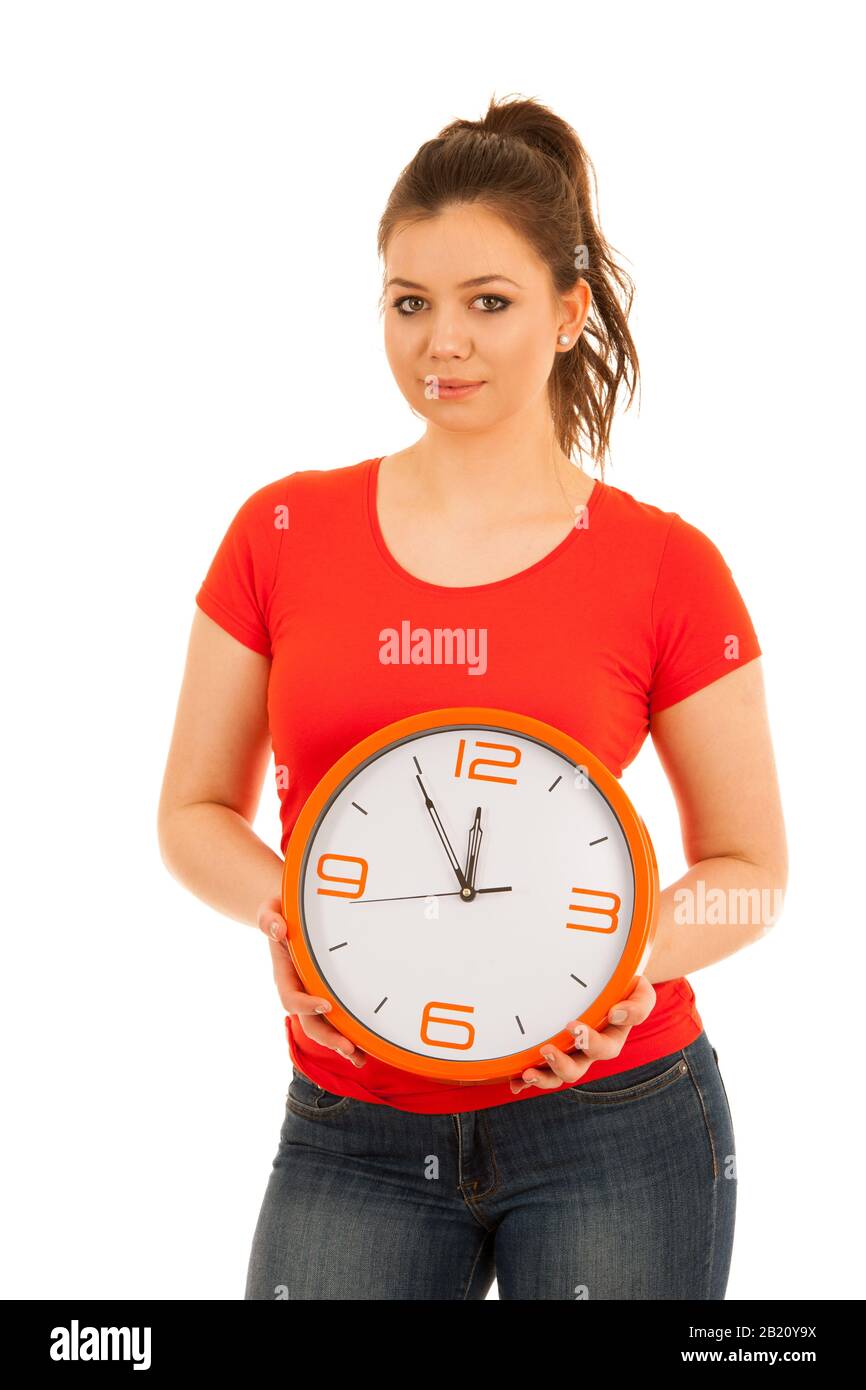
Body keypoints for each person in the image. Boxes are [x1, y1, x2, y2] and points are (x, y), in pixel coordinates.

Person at [158, 94, 787, 1300]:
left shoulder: (664, 564)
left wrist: (627, 963)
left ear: (566, 312)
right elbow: (192, 810)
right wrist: (283, 917)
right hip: (353, 1131)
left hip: (616, 1124)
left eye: (485, 303)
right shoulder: (280, 533)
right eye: (409, 303)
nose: (439, 343)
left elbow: (751, 866)